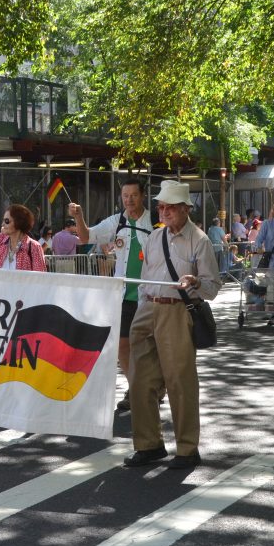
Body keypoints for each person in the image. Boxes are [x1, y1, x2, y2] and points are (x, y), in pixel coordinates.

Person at [124, 181, 220, 470]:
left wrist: (196, 282)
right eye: (161, 206)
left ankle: (187, 448)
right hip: (148, 308)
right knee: (139, 381)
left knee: (180, 382)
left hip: (177, 312)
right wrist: (143, 306)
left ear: (184, 209)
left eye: (169, 207)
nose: (163, 211)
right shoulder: (154, 237)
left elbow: (213, 287)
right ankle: (148, 445)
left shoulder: (199, 239)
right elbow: (145, 277)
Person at [70, 177, 153, 411]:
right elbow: (86, 237)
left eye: (133, 195)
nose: (129, 200)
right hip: (125, 295)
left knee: (150, 347)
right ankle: (136, 388)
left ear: (143, 195)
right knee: (122, 346)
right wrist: (78, 216)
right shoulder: (116, 222)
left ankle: (155, 387)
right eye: (125, 196)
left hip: (151, 295)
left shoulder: (156, 222)